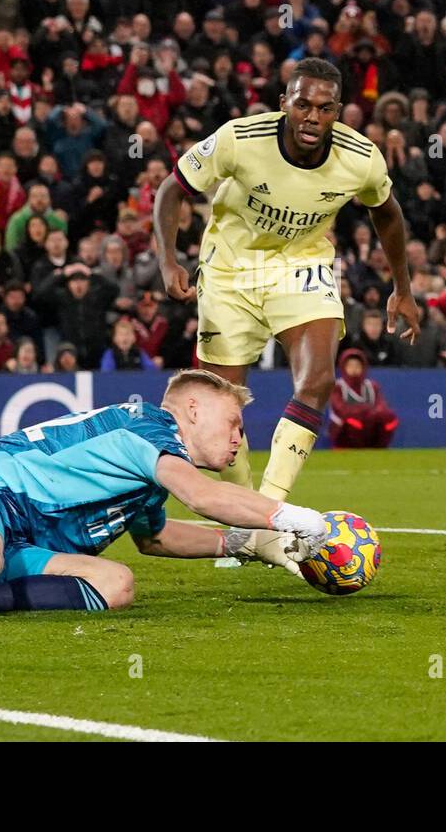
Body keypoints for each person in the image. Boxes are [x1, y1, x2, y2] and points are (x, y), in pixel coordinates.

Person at [0, 370, 329, 626]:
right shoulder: (148, 429)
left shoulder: (155, 467)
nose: (239, 439)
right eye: (233, 423)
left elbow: (158, 537)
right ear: (192, 410)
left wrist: (244, 544)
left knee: (116, 584)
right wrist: (297, 519)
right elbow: (203, 497)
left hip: (23, 535)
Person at [152, 57, 420, 564]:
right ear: (284, 104)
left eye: (325, 107)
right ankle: (244, 518)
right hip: (229, 271)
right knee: (222, 407)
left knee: (317, 380)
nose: (312, 116)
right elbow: (172, 189)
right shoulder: (239, 139)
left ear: (338, 111)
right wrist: (167, 259)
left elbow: (387, 214)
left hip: (301, 267)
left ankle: (268, 516)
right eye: (303, 104)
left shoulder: (361, 159)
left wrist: (401, 288)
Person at [327, 349, 398, 448]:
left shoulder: (372, 386)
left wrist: (373, 414)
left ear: (363, 367)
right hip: (344, 430)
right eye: (350, 366)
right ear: (343, 367)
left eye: (357, 366)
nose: (354, 369)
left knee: (389, 418)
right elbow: (341, 410)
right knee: (353, 421)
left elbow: (381, 405)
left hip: (369, 426)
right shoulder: (338, 387)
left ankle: (379, 449)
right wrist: (365, 410)